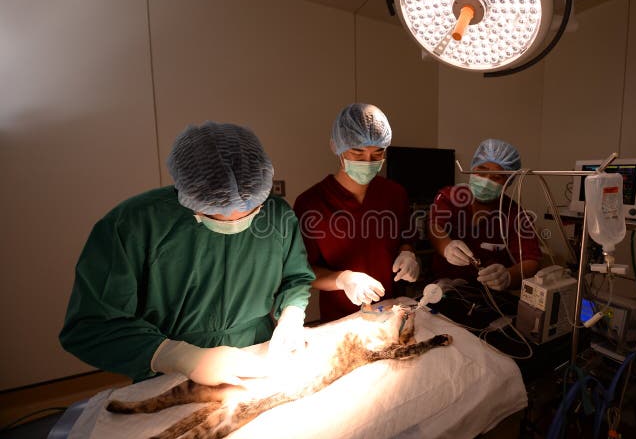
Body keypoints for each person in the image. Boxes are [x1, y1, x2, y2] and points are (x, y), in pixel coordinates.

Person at [60, 121, 315, 385]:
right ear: (189, 196)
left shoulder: (277, 215)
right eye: (215, 214)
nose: (234, 221)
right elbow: (91, 325)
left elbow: (295, 278)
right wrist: (177, 356)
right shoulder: (132, 225)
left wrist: (292, 315)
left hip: (259, 355)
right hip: (172, 373)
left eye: (250, 212)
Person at [293, 103, 419, 322]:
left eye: (377, 154)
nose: (368, 162)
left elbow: (405, 239)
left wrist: (408, 254)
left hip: (390, 311)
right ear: (336, 147)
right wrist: (342, 279)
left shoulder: (394, 194)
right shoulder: (311, 203)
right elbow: (304, 270)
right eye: (358, 153)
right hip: (340, 320)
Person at [428, 138, 541, 291]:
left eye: (496, 177)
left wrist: (508, 276)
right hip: (445, 287)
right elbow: (435, 227)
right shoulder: (450, 196)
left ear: (508, 182)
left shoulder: (514, 214)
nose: (486, 181)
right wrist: (446, 247)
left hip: (490, 293)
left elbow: (531, 261)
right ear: (472, 168)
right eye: (481, 171)